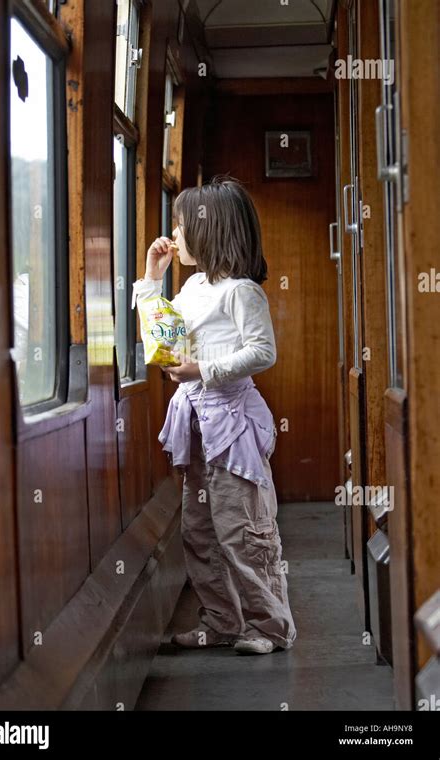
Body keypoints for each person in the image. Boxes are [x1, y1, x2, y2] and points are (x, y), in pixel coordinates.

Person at [132, 177, 296, 655]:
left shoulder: (241, 292)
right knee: (199, 530)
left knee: (243, 529)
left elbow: (263, 351)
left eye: (181, 226)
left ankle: (270, 626)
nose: (174, 235)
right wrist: (151, 278)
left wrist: (204, 368)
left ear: (210, 231)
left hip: (232, 425)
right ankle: (223, 621)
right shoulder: (191, 288)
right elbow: (163, 339)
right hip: (196, 426)